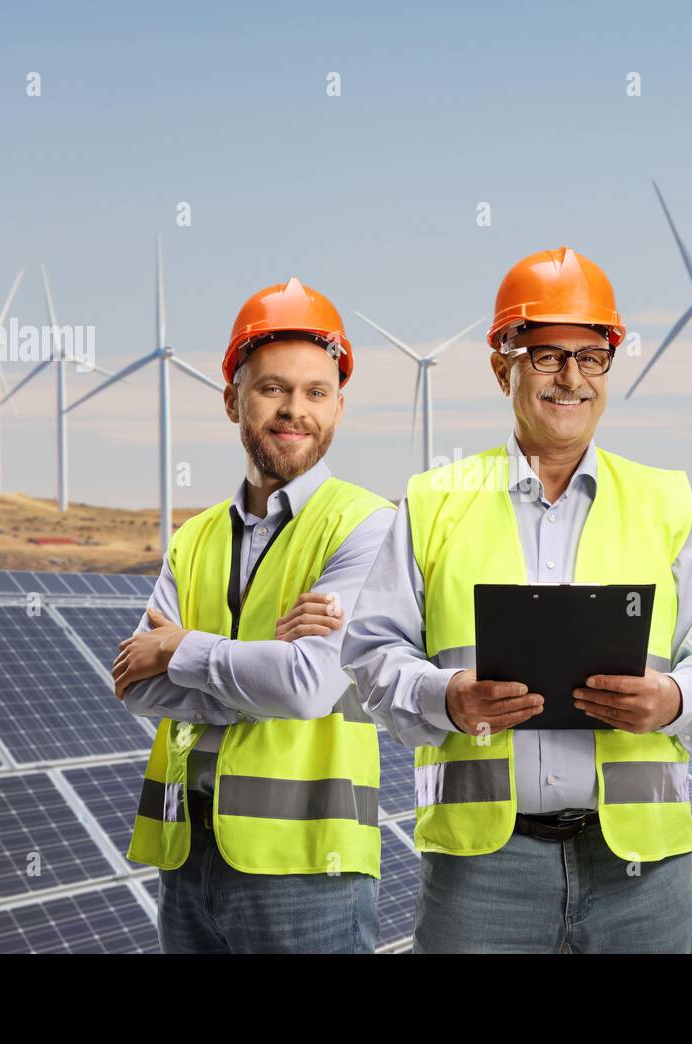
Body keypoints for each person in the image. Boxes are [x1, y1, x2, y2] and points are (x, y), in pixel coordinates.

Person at [342, 246, 692, 953]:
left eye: (591, 357)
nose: (571, 378)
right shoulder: (434, 500)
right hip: (480, 874)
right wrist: (446, 697)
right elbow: (370, 656)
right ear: (503, 366)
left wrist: (674, 700)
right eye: (545, 356)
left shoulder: (665, 502)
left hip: (642, 873)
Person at [113, 279, 394, 953]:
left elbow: (305, 686)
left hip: (308, 869)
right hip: (187, 855)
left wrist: (184, 651)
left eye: (315, 392)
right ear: (232, 398)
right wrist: (252, 673)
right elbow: (133, 681)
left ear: (338, 406)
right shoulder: (196, 537)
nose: (294, 409)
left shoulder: (366, 526)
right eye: (272, 388)